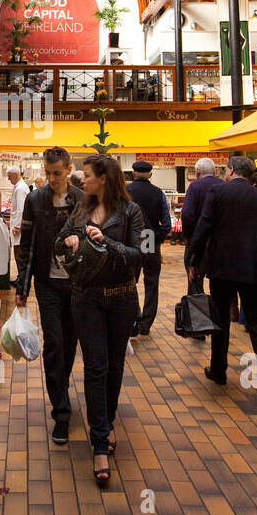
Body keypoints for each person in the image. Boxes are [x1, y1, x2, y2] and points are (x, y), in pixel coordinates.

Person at [57, 155, 143, 488]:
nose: (82, 179)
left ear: (104, 178)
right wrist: (69, 243)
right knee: (95, 366)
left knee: (115, 366)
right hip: (87, 297)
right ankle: (99, 443)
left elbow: (140, 254)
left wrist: (104, 242)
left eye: (88, 175)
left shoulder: (130, 212)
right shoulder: (79, 211)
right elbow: (59, 246)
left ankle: (105, 422)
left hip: (122, 297)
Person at [185, 156, 257, 400]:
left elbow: (203, 228)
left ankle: (218, 370)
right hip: (255, 271)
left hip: (222, 268)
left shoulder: (218, 193)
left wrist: (195, 262)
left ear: (230, 171)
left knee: (220, 321)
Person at [15, 148, 84, 447]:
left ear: (68, 169)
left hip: (78, 284)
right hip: (48, 284)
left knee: (70, 343)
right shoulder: (35, 199)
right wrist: (22, 288)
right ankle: (61, 413)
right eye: (48, 172)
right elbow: (27, 246)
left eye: (58, 172)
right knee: (54, 343)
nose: (53, 178)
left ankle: (60, 386)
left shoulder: (82, 200)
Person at [126, 160, 170, 337]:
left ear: (134, 173)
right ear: (150, 174)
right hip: (151, 239)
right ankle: (146, 323)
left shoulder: (126, 191)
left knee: (130, 281)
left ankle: (134, 318)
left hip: (131, 241)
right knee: (151, 282)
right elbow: (166, 224)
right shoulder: (158, 193)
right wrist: (157, 237)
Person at [180, 157, 220, 294]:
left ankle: (198, 313)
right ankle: (218, 313)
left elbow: (187, 215)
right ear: (214, 172)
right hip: (220, 243)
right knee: (220, 284)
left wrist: (188, 237)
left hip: (199, 243)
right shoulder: (224, 186)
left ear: (197, 173)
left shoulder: (195, 187)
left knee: (195, 280)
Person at [7, 165, 30, 253]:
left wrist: (17, 226)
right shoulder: (19, 186)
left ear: (15, 175)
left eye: (9, 176)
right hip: (18, 225)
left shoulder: (20, 188)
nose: (8, 179)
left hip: (19, 228)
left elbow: (21, 209)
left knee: (19, 252)